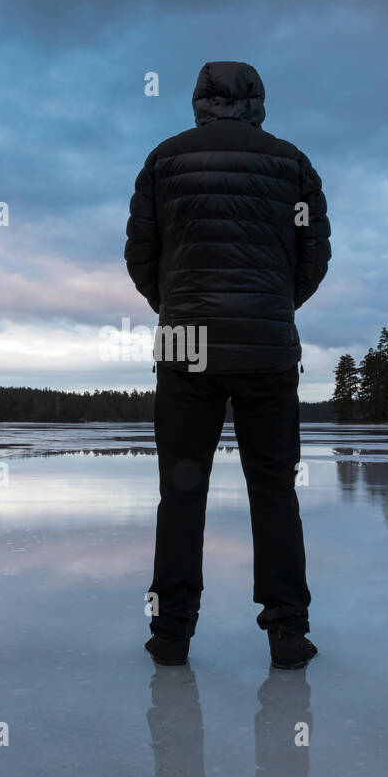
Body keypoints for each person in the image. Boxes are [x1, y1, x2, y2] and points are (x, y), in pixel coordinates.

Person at [125, 60, 331, 669]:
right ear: (258, 101)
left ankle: (170, 635)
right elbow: (312, 254)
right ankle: (287, 635)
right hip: (266, 347)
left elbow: (142, 253)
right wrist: (271, 307)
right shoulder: (291, 163)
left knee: (181, 495)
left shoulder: (164, 160)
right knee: (274, 494)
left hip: (186, 344)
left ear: (199, 101)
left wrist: (175, 305)